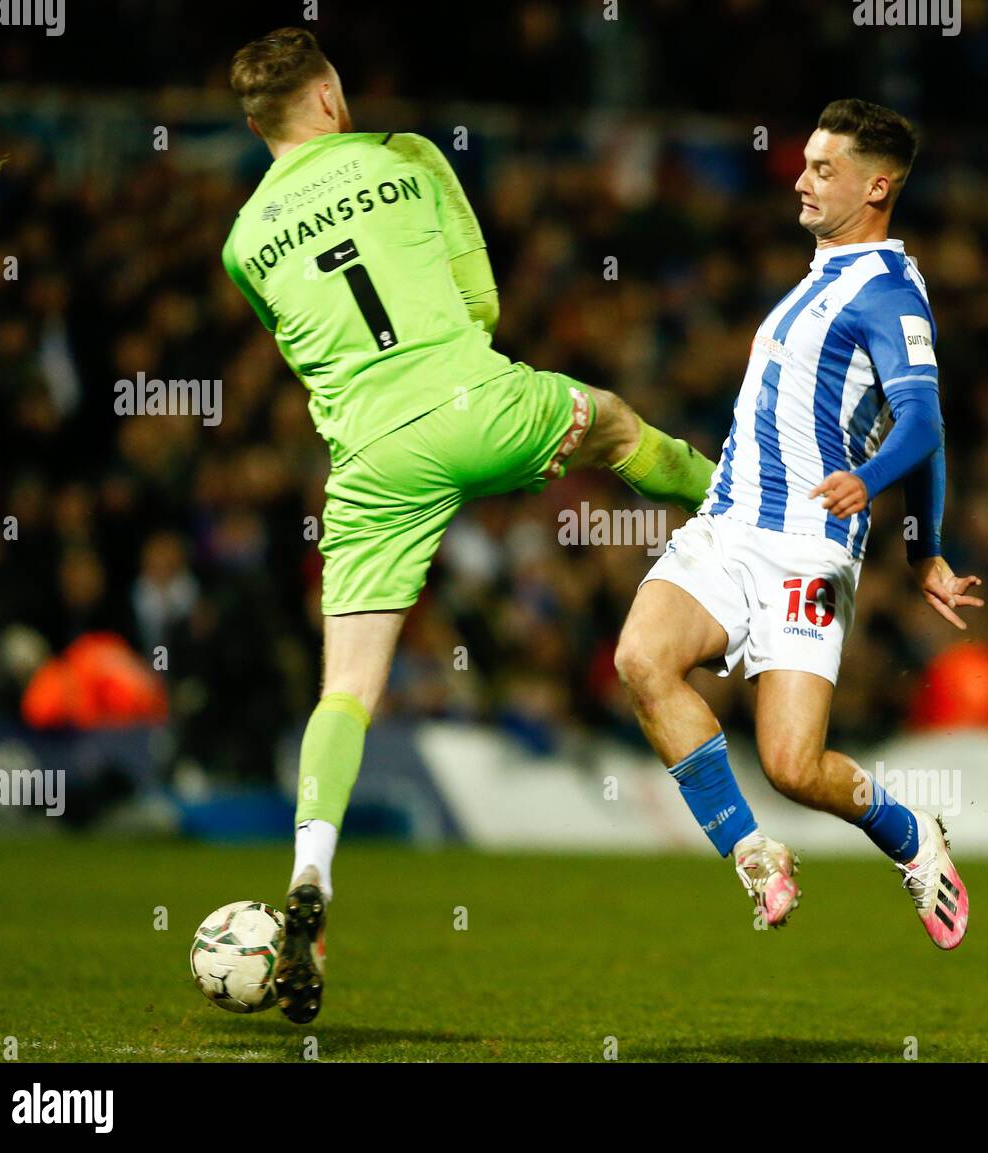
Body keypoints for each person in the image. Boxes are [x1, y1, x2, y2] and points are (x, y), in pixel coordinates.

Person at [222, 27, 716, 1023]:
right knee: (616, 424)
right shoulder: (405, 156)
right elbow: (480, 305)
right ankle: (738, 498)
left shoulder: (240, 245)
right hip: (468, 403)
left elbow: (304, 347)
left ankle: (311, 873)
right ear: (326, 98)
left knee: (347, 689)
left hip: (367, 457)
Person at [615, 99, 983, 947]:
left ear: (877, 185)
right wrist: (926, 548)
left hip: (809, 551)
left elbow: (924, 425)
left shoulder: (891, 296)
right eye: (805, 162)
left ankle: (910, 835)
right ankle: (754, 853)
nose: (801, 179)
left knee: (793, 765)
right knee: (641, 657)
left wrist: (882, 495)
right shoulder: (815, 282)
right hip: (729, 522)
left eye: (824, 168)